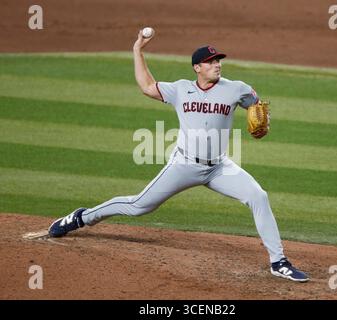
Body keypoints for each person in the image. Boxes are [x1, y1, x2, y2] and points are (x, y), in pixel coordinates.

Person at [48, 30, 309, 282]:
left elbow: (256, 104)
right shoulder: (180, 89)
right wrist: (137, 49)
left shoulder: (236, 88)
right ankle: (81, 217)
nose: (217, 65)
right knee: (139, 206)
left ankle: (279, 262)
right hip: (184, 164)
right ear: (197, 67)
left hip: (220, 167)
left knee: (258, 196)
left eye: (218, 60)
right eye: (211, 62)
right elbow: (147, 86)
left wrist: (263, 122)